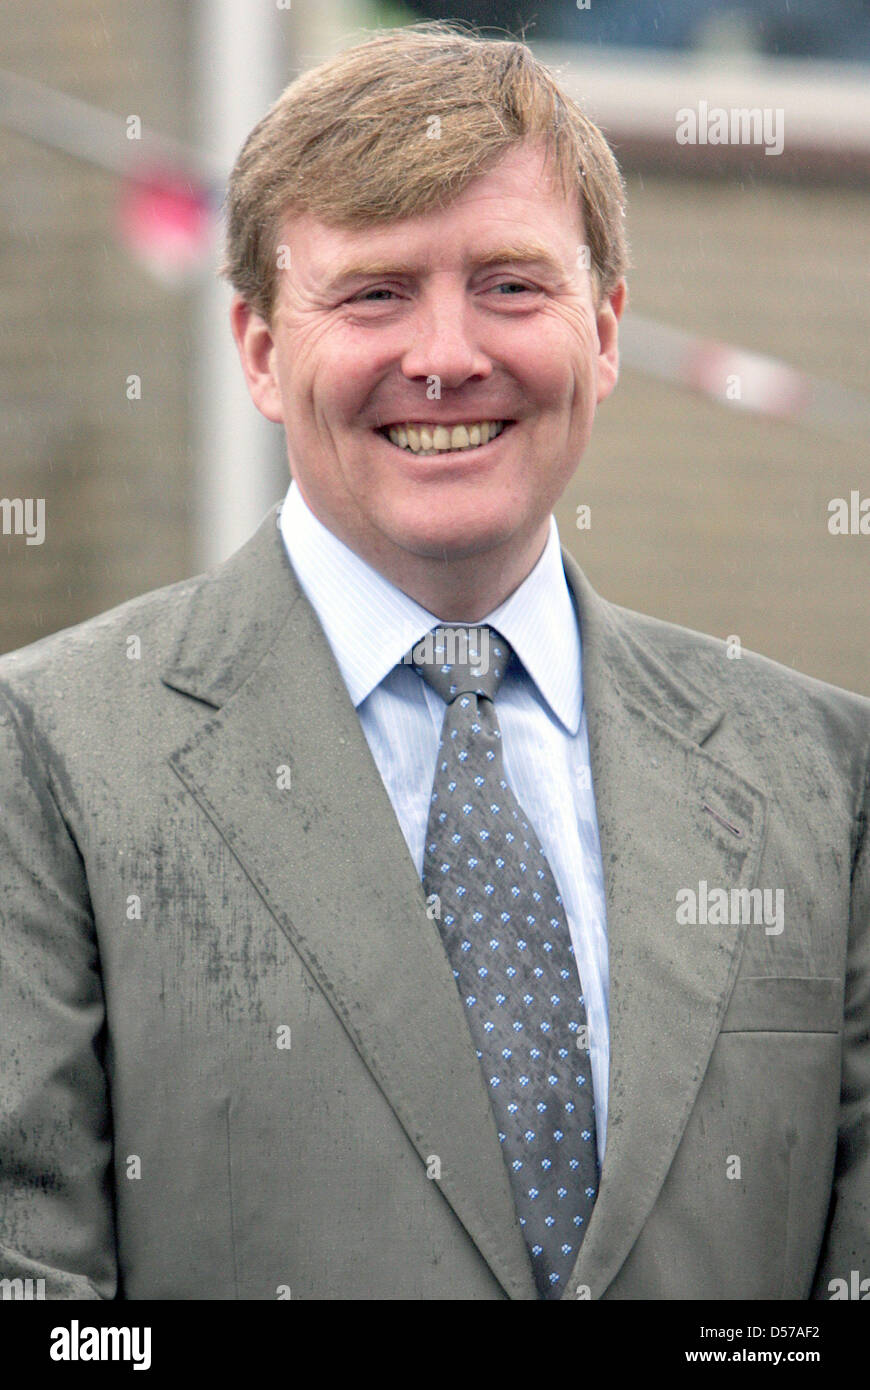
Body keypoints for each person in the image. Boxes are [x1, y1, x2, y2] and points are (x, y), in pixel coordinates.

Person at [0, 21, 867, 1302]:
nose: (449, 353)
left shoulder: (829, 777)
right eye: (374, 291)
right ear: (258, 352)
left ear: (608, 327)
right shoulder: (50, 755)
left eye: (513, 284)